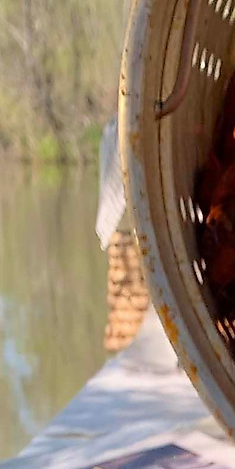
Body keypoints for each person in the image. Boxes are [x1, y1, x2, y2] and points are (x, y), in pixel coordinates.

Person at [96, 115, 150, 352]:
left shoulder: (116, 129)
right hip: (128, 231)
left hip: (131, 230)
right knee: (128, 308)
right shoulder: (117, 129)